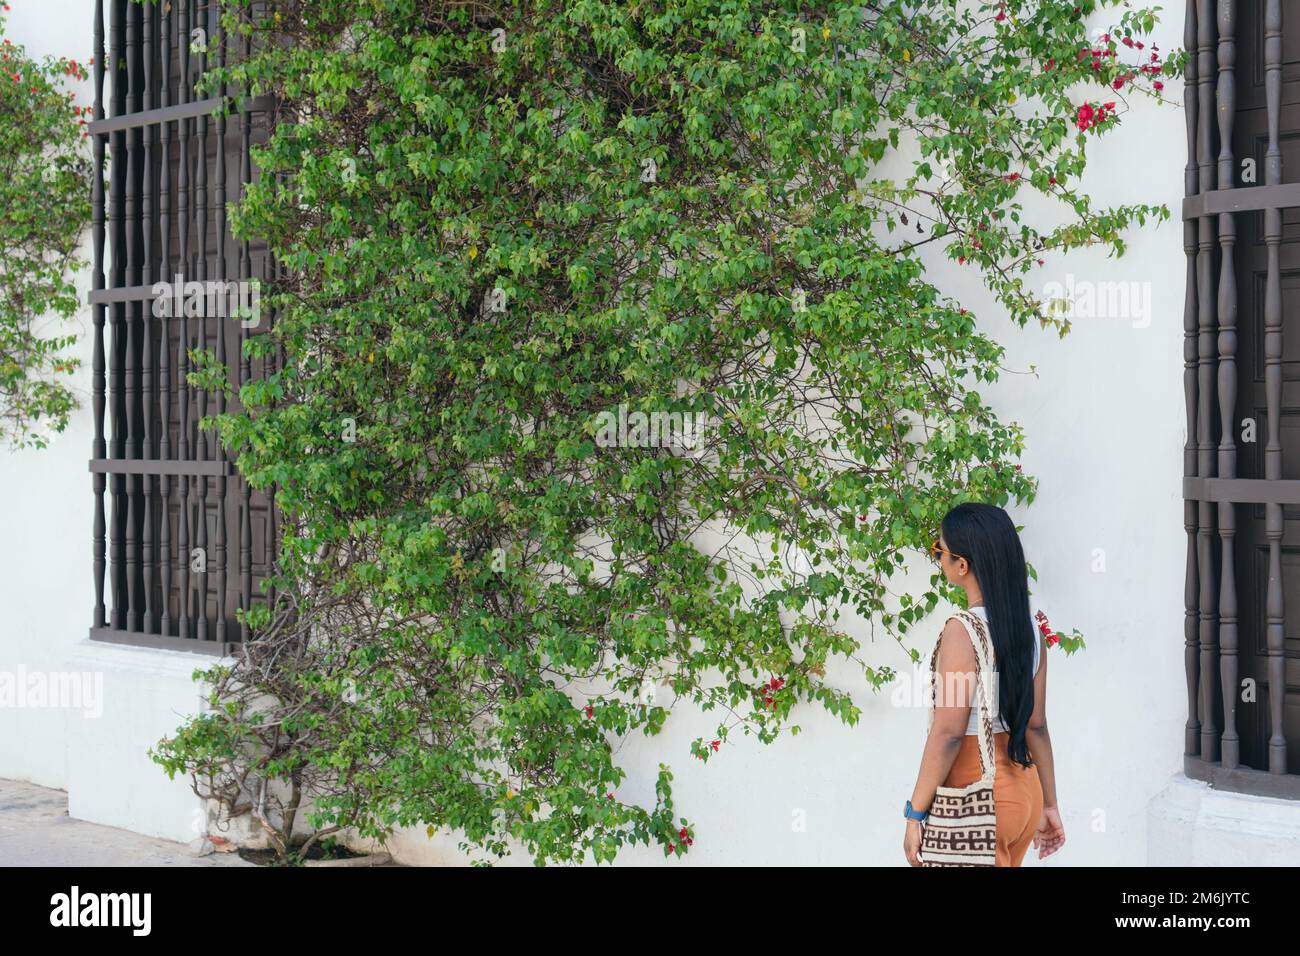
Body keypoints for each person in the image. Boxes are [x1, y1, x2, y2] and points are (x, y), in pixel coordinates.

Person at [902, 502, 1066, 866]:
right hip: (1025, 791)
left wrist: (915, 813)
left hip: (977, 795)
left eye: (939, 551)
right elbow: (1036, 725)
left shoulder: (962, 630)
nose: (938, 557)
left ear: (961, 565)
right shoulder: (1032, 631)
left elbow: (949, 733)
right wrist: (1050, 804)